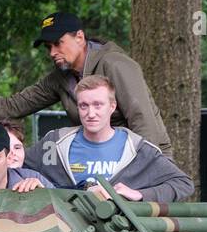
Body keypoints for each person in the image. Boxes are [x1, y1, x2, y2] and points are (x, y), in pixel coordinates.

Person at [0, 11, 173, 156]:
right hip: (101, 159)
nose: (52, 52)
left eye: (58, 43)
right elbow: (13, 106)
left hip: (145, 160)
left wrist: (144, 173)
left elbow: (143, 121)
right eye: (48, 47)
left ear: (80, 37)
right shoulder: (61, 77)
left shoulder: (115, 65)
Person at [23, 75, 193, 202]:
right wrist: (30, 178)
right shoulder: (55, 143)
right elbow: (11, 167)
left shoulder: (137, 149)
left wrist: (140, 194)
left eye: (98, 105)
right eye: (84, 106)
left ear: (112, 106)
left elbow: (183, 184)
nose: (91, 113)